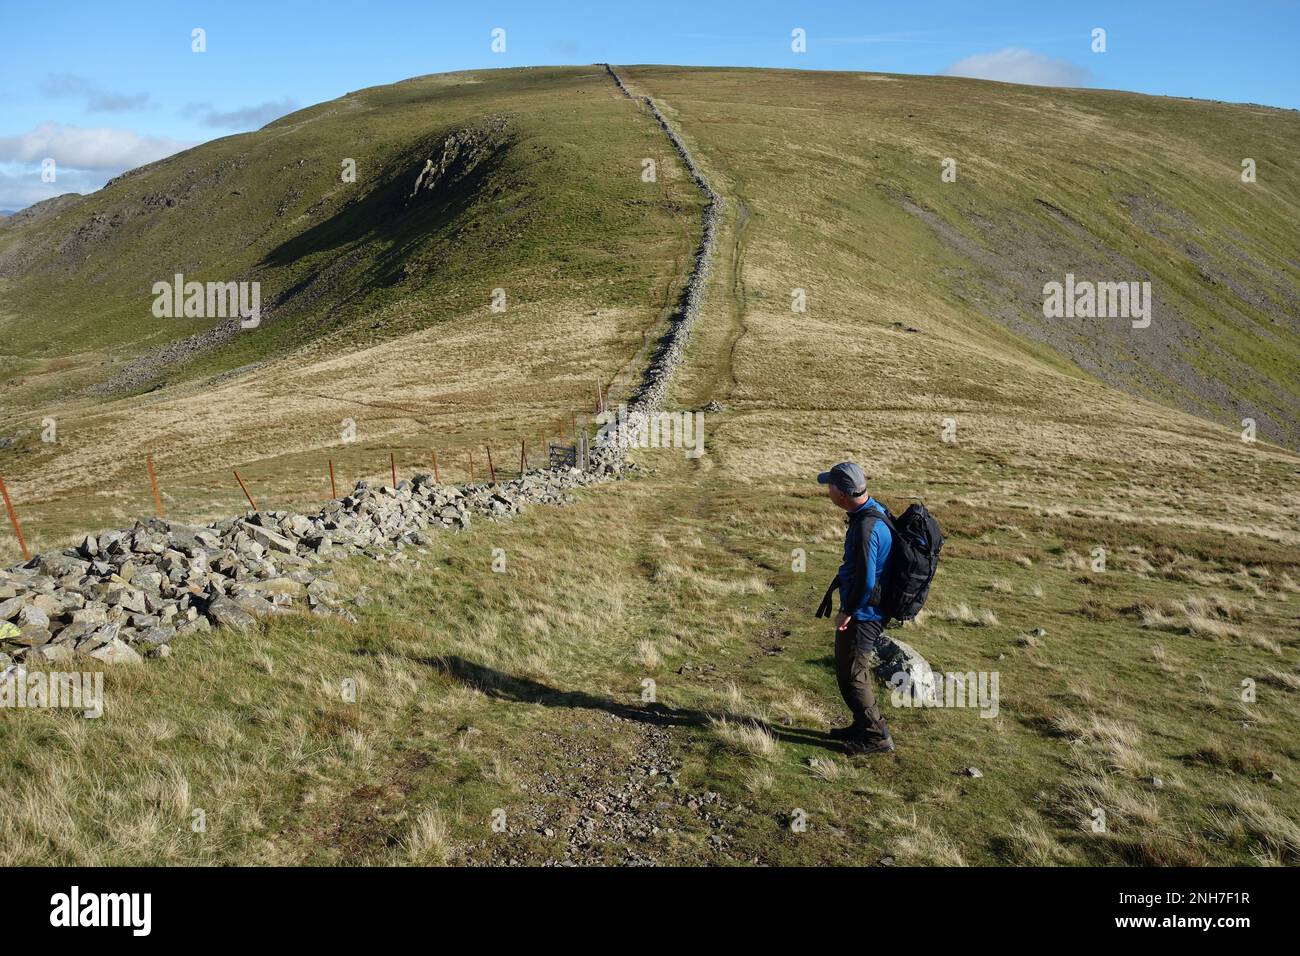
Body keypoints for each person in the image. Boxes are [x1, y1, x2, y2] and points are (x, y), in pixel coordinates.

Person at [817, 461, 896, 755]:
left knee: (852, 674)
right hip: (871, 608)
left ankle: (876, 736)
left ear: (841, 492)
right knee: (848, 669)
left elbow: (865, 579)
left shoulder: (865, 528)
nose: (827, 490)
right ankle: (862, 724)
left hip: (865, 613)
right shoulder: (874, 511)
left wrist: (848, 609)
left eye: (829, 486)